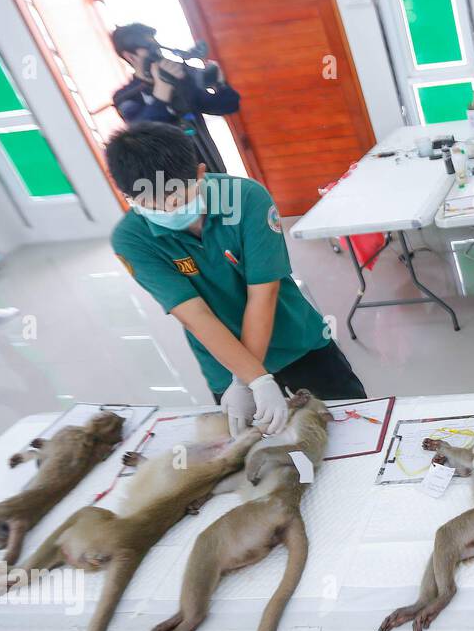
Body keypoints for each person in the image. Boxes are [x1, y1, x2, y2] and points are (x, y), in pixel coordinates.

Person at [106, 123, 365, 434]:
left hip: (296, 341)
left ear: (200, 174)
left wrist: (249, 380)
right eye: (153, 203)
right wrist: (248, 379)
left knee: (352, 426)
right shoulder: (131, 238)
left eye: (177, 196)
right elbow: (195, 316)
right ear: (130, 198)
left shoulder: (245, 198)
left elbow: (263, 294)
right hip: (224, 363)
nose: (169, 208)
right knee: (254, 450)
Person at [111, 23, 239, 174]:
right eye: (150, 49)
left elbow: (227, 105)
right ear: (130, 56)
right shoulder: (126, 97)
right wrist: (162, 89)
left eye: (157, 48)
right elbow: (141, 132)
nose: (157, 54)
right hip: (173, 183)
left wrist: (220, 84)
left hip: (212, 169)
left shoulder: (181, 79)